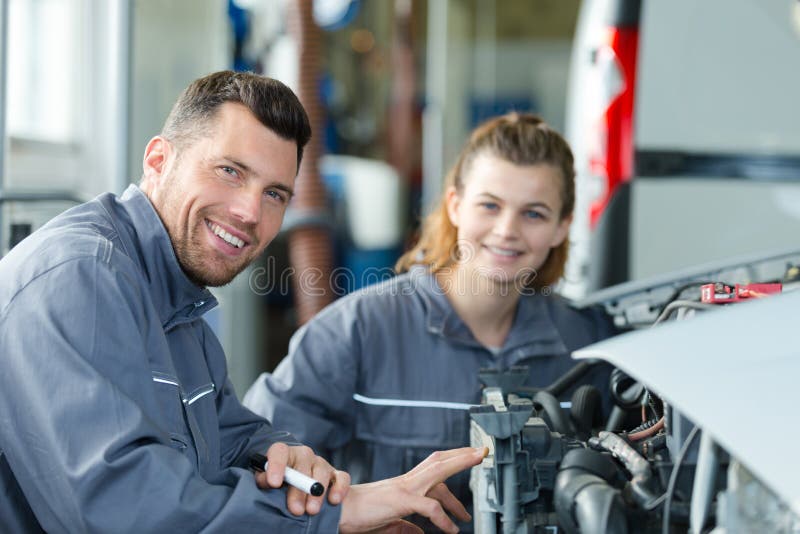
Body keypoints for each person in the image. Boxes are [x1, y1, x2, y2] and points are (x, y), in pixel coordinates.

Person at [0, 70, 486, 533]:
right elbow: (121, 508)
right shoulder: (81, 277)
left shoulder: (177, 296)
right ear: (158, 161)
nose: (250, 212)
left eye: (274, 193)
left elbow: (230, 433)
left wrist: (285, 454)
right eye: (229, 171)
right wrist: (331, 518)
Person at [243, 112, 617, 530]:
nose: (507, 230)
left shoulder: (591, 345)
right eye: (490, 205)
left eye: (534, 214)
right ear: (455, 206)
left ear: (562, 227)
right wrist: (342, 519)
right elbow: (255, 457)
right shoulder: (357, 332)